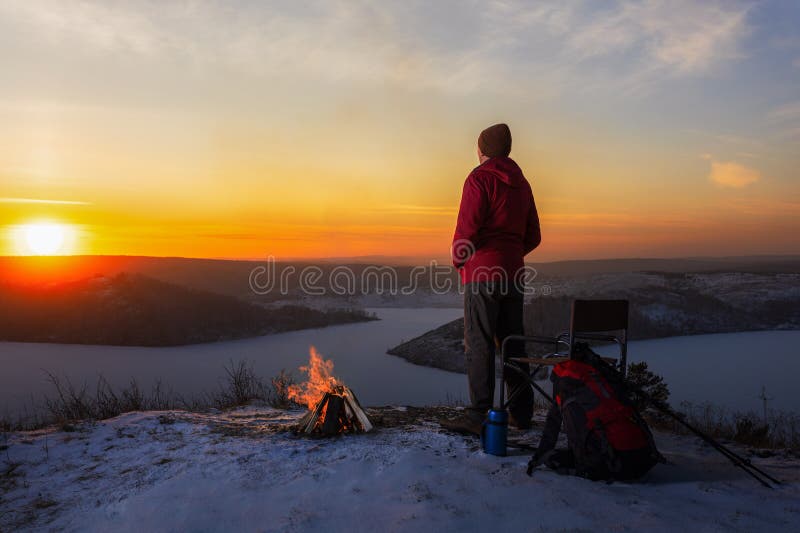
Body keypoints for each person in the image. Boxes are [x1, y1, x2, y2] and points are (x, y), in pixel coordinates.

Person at [447, 123, 541, 435]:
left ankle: (478, 415)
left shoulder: (479, 178)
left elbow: (468, 229)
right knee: (513, 342)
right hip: (513, 274)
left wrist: (460, 260)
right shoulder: (522, 183)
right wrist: (511, 253)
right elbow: (534, 235)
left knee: (479, 342)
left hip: (482, 273)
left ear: (483, 149)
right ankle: (522, 413)